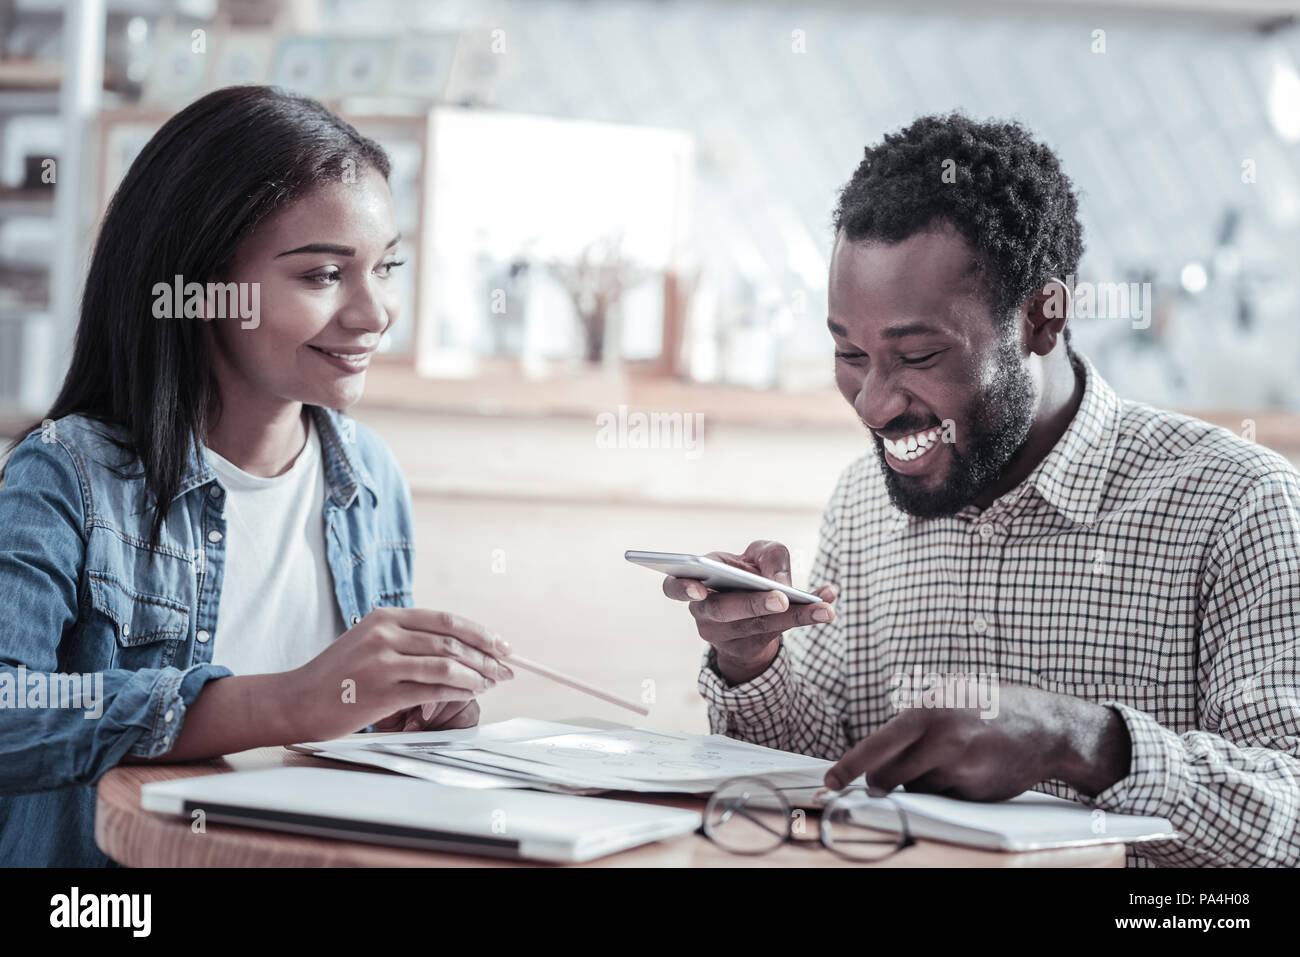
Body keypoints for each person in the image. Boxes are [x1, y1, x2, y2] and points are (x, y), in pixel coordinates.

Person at [663, 113, 1300, 867]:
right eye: (849, 352)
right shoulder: (864, 502)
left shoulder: (1241, 505)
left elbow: (1289, 816)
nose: (871, 404)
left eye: (919, 353)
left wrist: (1083, 739)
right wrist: (755, 662)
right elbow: (828, 777)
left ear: (1041, 316)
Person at [0, 86, 513, 867]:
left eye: (388, 266)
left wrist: (420, 708)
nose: (373, 312)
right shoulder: (67, 475)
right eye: (321, 275)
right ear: (200, 284)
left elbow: (349, 748)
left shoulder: (369, 477)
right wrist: (289, 698)